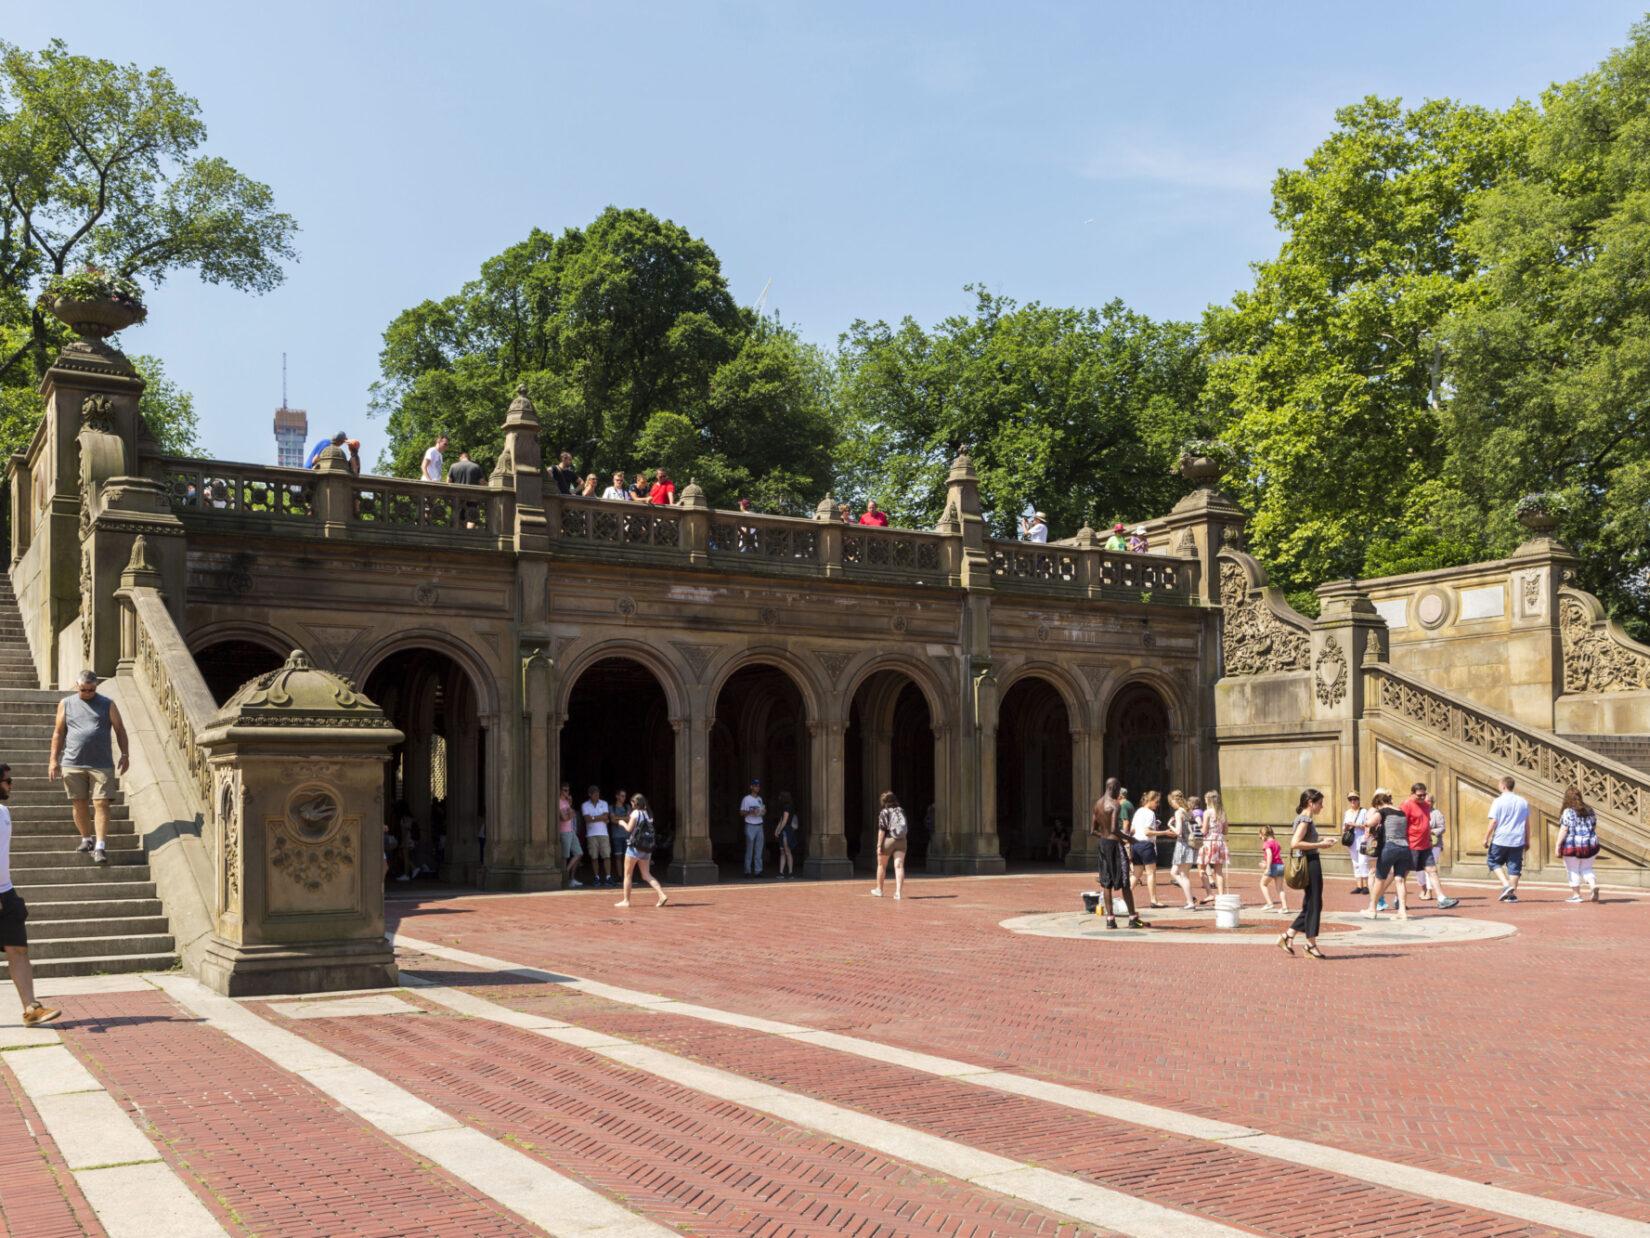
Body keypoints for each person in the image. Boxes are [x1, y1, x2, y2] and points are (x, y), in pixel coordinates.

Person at [48, 671, 130, 865]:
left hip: (101, 764)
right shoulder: (66, 703)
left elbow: (120, 729)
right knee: (79, 802)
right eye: (83, 689)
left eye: (91, 690)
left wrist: (125, 754)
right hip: (72, 762)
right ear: (77, 686)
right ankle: (86, 839)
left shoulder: (107, 704)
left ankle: (100, 846)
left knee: (101, 803)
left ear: (96, 686)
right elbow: (58, 733)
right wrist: (53, 760)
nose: (87, 693)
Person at [0, 764, 61, 1027]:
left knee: (18, 949)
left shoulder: (4, 812)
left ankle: (31, 1008)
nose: (11, 785)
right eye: (7, 780)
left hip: (6, 892)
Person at [1279, 788, 1335, 958]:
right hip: (1310, 863)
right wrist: (1320, 845)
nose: (1322, 807)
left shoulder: (1303, 818)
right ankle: (1308, 944)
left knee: (1312, 903)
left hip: (1310, 861)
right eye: (1320, 803)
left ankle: (1290, 936)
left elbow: (1302, 841)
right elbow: (1295, 843)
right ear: (1311, 803)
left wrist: (1321, 841)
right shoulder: (1305, 820)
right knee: (1314, 903)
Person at [1091, 778, 1146, 929]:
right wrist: (1130, 839)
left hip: (1103, 845)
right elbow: (1115, 829)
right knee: (1125, 882)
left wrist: (1104, 837)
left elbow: (1093, 830)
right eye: (1118, 789)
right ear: (1114, 787)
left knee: (1106, 883)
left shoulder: (1097, 804)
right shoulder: (1115, 804)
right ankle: (1133, 917)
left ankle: (1110, 919)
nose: (1118, 792)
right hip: (1115, 846)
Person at [1407, 785, 1460, 909]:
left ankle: (1440, 897)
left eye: (1425, 797)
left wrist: (1430, 832)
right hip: (1414, 845)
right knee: (1404, 873)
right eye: (1420, 796)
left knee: (1432, 871)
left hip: (1430, 844)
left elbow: (1441, 827)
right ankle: (1396, 898)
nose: (1424, 800)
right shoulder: (1409, 806)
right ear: (1413, 794)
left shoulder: (1432, 811)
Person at [1363, 789, 1411, 920]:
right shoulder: (1402, 812)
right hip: (1404, 847)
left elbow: (1369, 823)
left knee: (1379, 878)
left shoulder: (1382, 811)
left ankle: (1372, 908)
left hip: (1389, 847)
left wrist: (1369, 825)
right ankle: (1402, 911)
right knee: (1400, 880)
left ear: (1379, 802)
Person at [614, 794, 668, 908]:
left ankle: (626, 901)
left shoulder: (635, 813)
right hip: (646, 848)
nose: (631, 805)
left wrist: (622, 823)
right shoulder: (649, 814)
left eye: (632, 803)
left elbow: (629, 829)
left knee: (628, 874)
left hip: (634, 848)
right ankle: (661, 894)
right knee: (646, 874)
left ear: (636, 803)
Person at [1485, 775, 1530, 902]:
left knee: (1493, 861)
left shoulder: (1498, 801)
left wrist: (1486, 838)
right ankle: (1512, 894)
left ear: (1503, 786)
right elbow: (1527, 823)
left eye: (1499, 785)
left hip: (1501, 837)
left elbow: (1494, 821)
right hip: (1517, 838)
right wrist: (1527, 839)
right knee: (1515, 866)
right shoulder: (1523, 801)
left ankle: (1506, 885)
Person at [1556, 784, 1601, 903]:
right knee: (1586, 868)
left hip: (1573, 845)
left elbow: (1564, 829)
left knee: (1572, 869)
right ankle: (1592, 885)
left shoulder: (1568, 811)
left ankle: (1576, 895)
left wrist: (1557, 845)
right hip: (1590, 844)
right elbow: (1594, 826)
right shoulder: (1589, 810)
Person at [1128, 791, 1174, 908]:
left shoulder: (1138, 811)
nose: (1157, 805)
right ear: (1150, 800)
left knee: (1136, 873)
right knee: (1151, 873)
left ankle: (1125, 897)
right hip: (1146, 845)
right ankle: (1154, 900)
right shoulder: (1150, 813)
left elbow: (1132, 830)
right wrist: (1164, 832)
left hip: (1135, 844)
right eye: (1156, 802)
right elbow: (1147, 832)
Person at [871, 790, 908, 899]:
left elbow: (882, 830)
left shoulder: (884, 812)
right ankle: (898, 892)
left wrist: (878, 845)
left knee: (882, 865)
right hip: (901, 840)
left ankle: (879, 890)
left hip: (889, 840)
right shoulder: (901, 810)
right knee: (899, 866)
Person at [1166, 790, 1198, 909]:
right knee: (1175, 873)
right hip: (1191, 845)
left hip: (1183, 845)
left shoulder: (1179, 812)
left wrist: (1170, 825)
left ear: (1175, 801)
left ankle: (1190, 902)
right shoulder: (1189, 811)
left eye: (1171, 802)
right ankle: (1190, 897)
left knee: (1182, 875)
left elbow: (1178, 832)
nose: (1171, 805)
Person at [1199, 789, 1230, 900]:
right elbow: (1226, 831)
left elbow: (1204, 830)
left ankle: (1209, 894)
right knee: (1219, 871)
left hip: (1209, 841)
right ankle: (1221, 896)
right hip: (1220, 841)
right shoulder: (1222, 812)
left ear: (1208, 800)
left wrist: (1200, 826)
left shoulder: (1207, 812)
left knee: (1201, 868)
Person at [580, 785, 612, 887]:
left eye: (598, 794)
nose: (597, 796)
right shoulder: (585, 805)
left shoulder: (604, 803)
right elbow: (587, 819)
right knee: (594, 857)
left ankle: (608, 877)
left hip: (603, 834)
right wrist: (600, 817)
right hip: (591, 835)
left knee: (606, 856)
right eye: (594, 794)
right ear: (590, 795)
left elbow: (606, 817)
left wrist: (593, 817)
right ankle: (596, 877)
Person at [1343, 793, 1372, 895]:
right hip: (1352, 841)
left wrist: (1355, 825)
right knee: (1355, 863)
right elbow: (1344, 828)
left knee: (1363, 862)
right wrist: (1346, 827)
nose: (1353, 801)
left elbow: (1368, 826)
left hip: (1362, 840)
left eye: (1355, 799)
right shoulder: (1347, 813)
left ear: (1358, 800)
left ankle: (1366, 886)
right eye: (1350, 799)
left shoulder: (1364, 811)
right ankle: (1359, 886)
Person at [556, 783, 582, 888]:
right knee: (565, 856)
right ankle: (564, 879)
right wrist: (571, 813)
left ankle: (567, 873)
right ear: (560, 791)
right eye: (565, 790)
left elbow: (570, 814)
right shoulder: (558, 802)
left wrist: (570, 807)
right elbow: (564, 818)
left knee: (579, 853)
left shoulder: (567, 802)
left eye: (568, 790)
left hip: (571, 831)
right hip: (564, 832)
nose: (567, 792)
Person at [1257, 825, 1287, 913]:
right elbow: (1276, 855)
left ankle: (1269, 903)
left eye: (1261, 836)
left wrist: (1267, 867)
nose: (1260, 838)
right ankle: (1285, 907)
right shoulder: (1276, 843)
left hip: (1273, 866)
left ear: (1264, 834)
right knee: (1280, 888)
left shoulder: (1267, 844)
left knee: (1263, 884)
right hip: (1280, 866)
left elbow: (1270, 855)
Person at [740, 778, 765, 877]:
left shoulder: (760, 799)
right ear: (751, 787)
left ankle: (758, 871)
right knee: (749, 849)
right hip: (750, 825)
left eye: (758, 786)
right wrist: (751, 812)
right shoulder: (746, 799)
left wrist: (762, 811)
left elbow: (762, 811)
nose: (757, 787)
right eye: (755, 786)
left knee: (759, 849)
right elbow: (741, 812)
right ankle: (748, 871)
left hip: (759, 825)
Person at [773, 791, 799, 878]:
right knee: (783, 852)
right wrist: (777, 830)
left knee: (787, 851)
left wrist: (779, 830)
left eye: (780, 796)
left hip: (786, 831)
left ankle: (790, 873)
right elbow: (781, 820)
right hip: (784, 830)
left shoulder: (787, 807)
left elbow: (784, 820)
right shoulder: (784, 807)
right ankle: (781, 873)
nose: (779, 798)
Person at [609, 789, 631, 857]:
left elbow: (629, 819)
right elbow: (613, 820)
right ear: (617, 796)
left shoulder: (627, 807)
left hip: (627, 835)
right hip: (616, 836)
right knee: (618, 857)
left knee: (628, 857)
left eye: (625, 796)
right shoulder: (611, 807)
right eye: (622, 796)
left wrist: (617, 817)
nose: (624, 798)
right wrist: (624, 818)